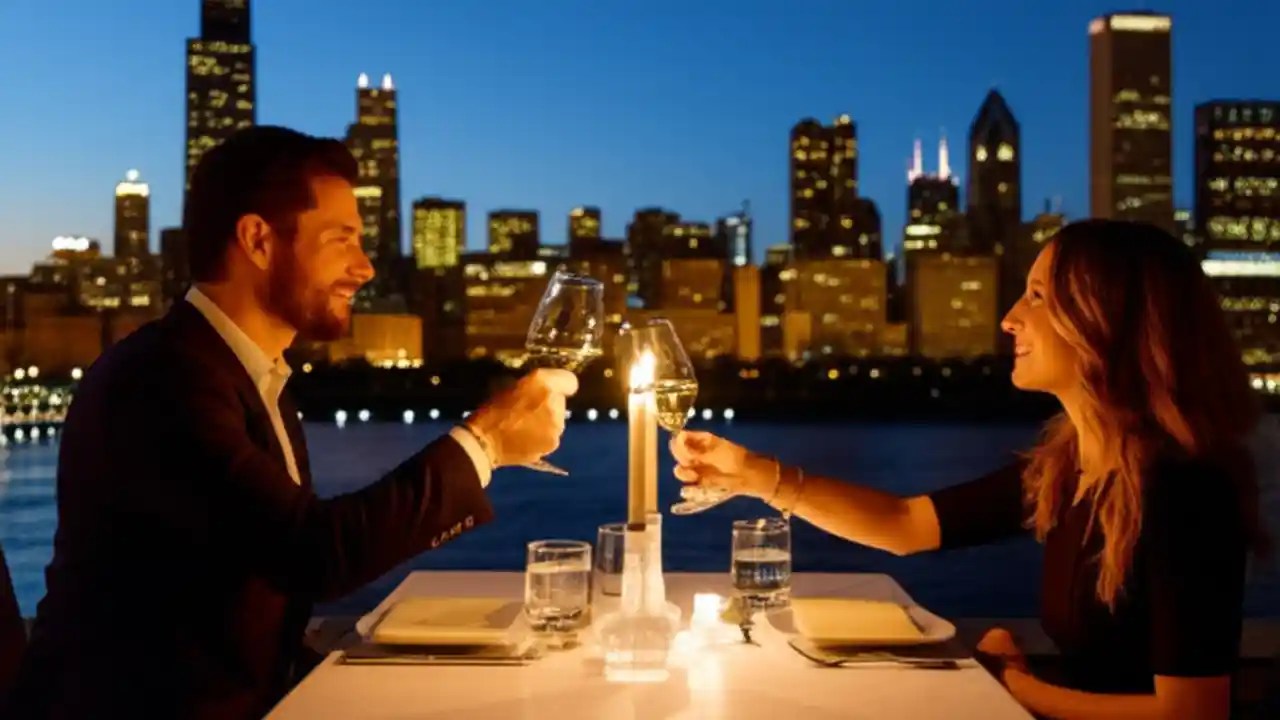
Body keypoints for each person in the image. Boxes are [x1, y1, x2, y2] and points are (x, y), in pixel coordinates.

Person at [8, 126, 577, 719]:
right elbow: (310, 552)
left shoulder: (251, 375)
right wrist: (484, 442)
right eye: (342, 240)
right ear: (257, 240)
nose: (364, 268)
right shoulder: (161, 380)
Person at [673, 220, 1263, 720]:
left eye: (1036, 296)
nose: (1009, 318)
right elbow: (904, 524)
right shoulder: (1066, 471)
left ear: (1103, 319)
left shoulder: (1186, 489)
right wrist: (754, 474)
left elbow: (1192, 712)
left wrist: (1018, 685)